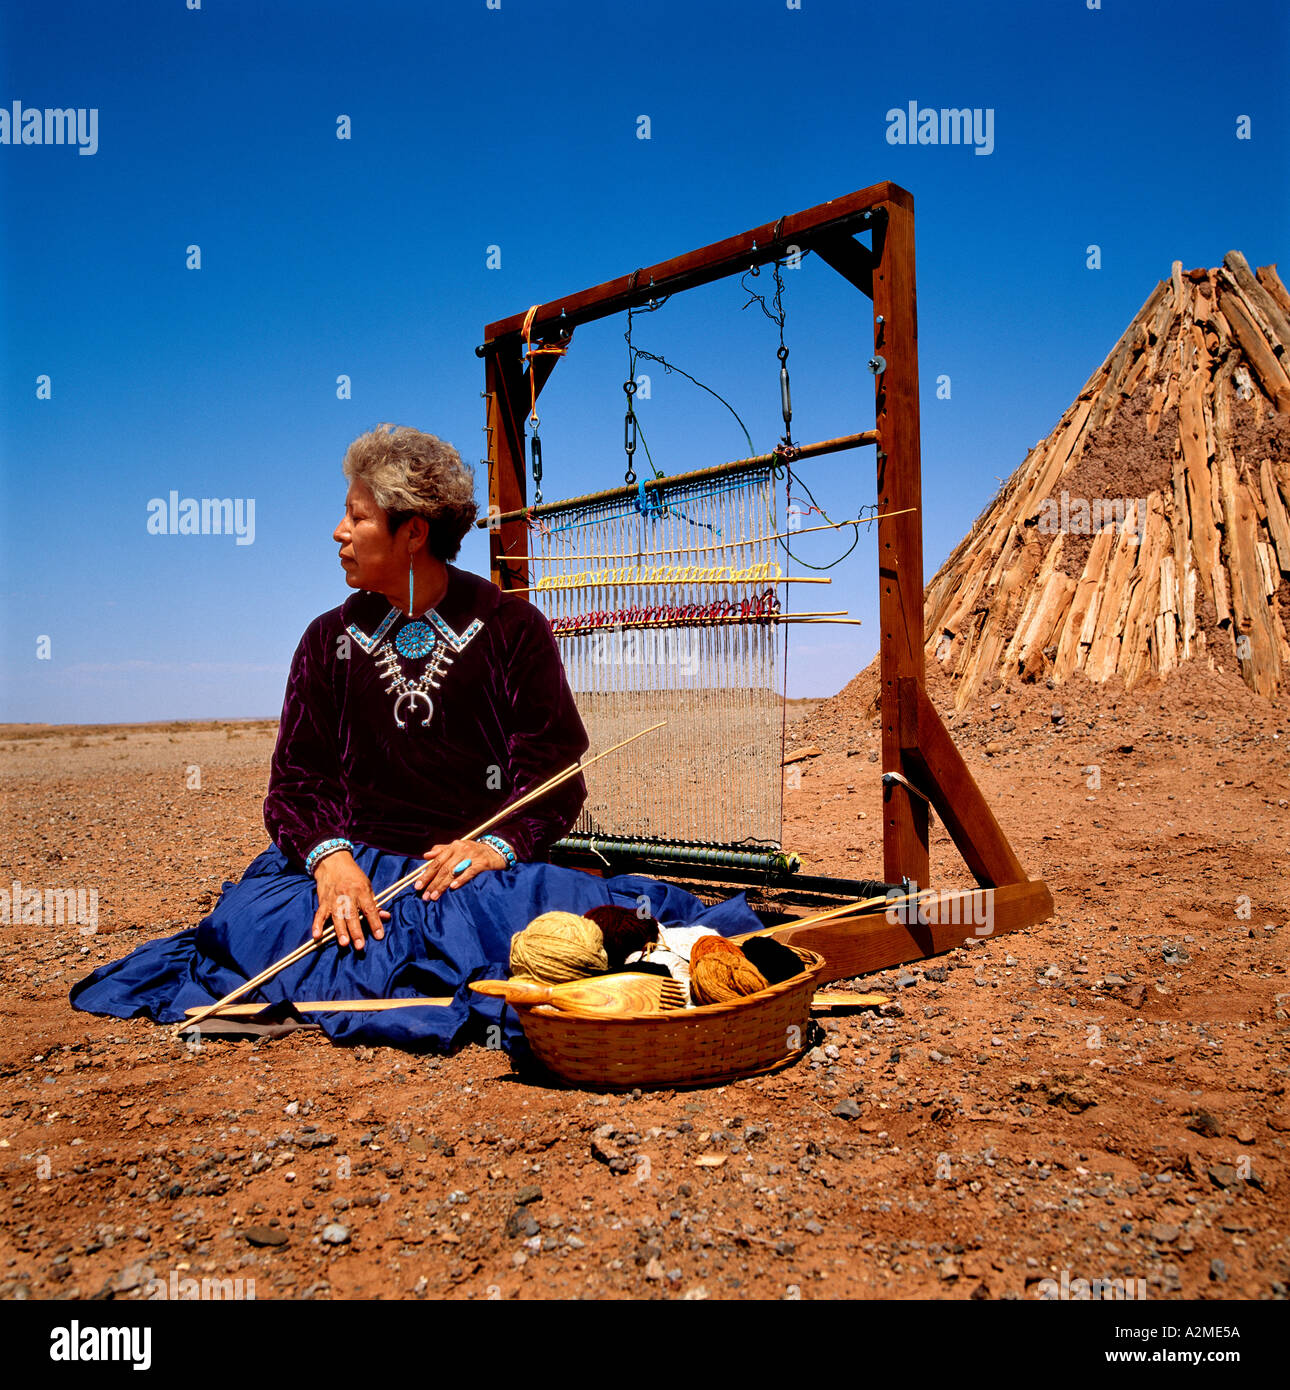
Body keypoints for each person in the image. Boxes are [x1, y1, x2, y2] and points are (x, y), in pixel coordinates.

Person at [71, 425, 760, 1053]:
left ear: (413, 533)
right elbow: (296, 784)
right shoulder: (326, 640)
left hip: (463, 874)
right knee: (256, 924)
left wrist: (492, 847)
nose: (338, 532)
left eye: (357, 516)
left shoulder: (513, 630)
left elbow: (554, 778)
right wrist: (330, 864)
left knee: (591, 933)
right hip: (353, 868)